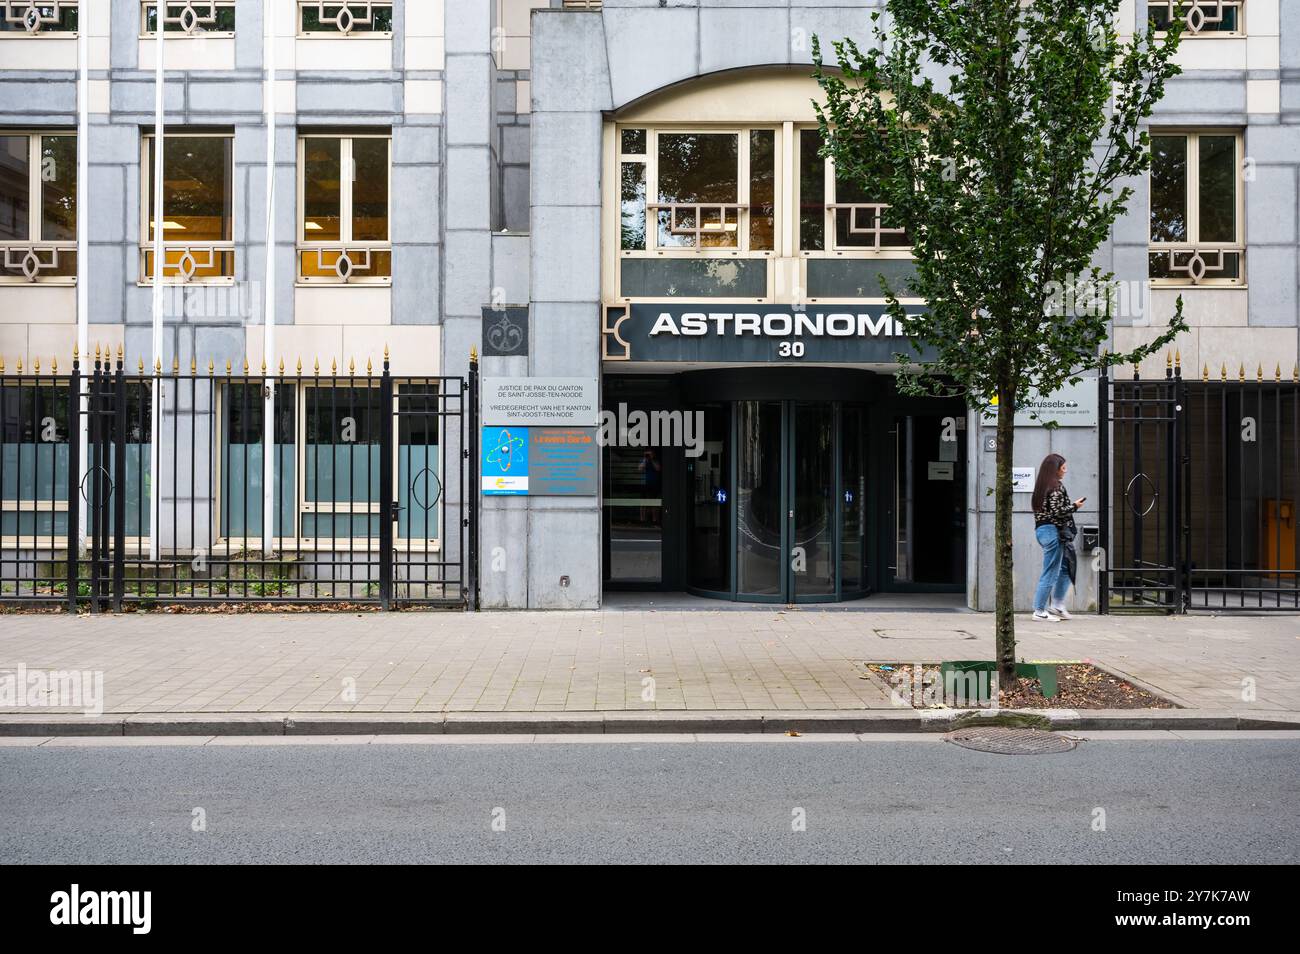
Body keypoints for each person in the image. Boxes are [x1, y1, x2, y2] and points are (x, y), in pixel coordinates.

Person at [1030, 453, 1085, 621]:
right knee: (1051, 571)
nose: (1065, 471)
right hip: (1052, 531)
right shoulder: (1055, 487)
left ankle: (1058, 605)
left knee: (1064, 567)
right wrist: (1074, 506)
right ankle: (1039, 610)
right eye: (1063, 468)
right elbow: (1057, 512)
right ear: (1055, 469)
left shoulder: (1042, 485)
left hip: (1043, 530)